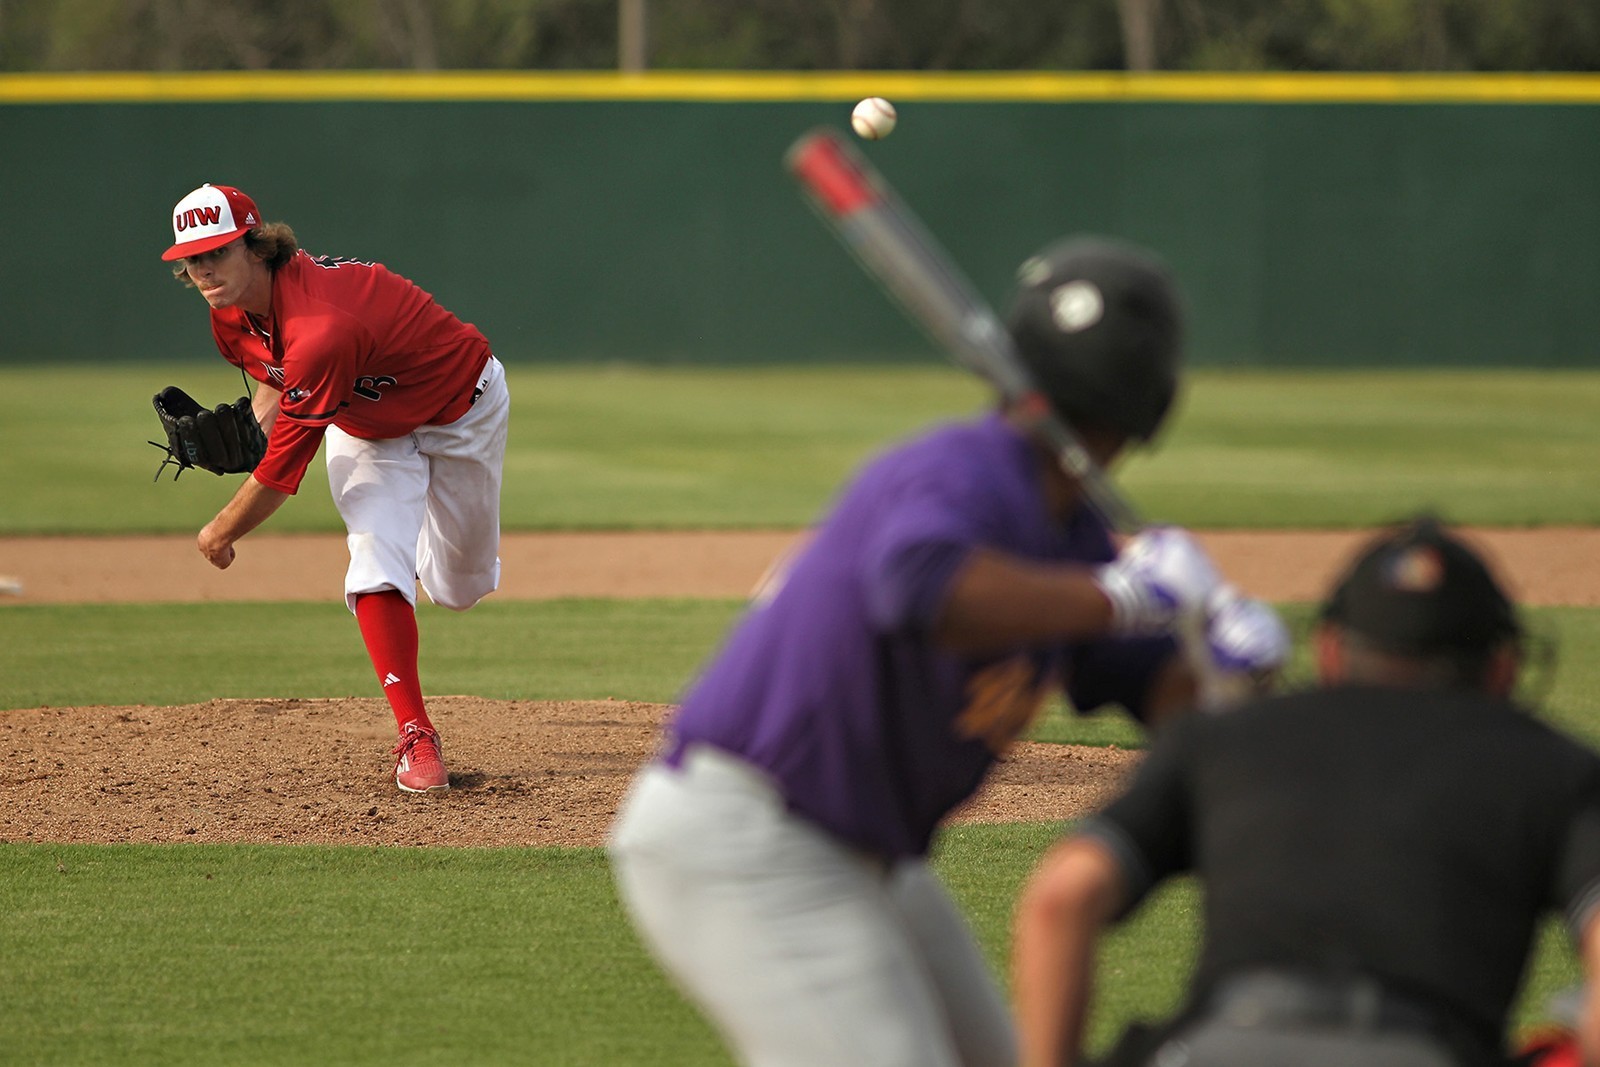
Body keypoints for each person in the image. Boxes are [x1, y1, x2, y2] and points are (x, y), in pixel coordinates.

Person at [606, 235, 1289, 1067]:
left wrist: (1232, 669)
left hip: (871, 853)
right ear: (1152, 401)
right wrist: (1126, 597)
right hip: (752, 839)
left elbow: (1169, 701)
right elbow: (923, 586)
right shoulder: (964, 469)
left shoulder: (1070, 536)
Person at [1012, 516, 1600, 1067]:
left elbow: (1061, 898)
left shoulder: (1222, 738)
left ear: (1330, 650)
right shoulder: (1554, 766)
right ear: (1501, 667)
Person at [161, 182, 510, 794]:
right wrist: (259, 423)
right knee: (375, 557)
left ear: (256, 246)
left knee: (461, 586)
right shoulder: (227, 315)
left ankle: (420, 547)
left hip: (462, 411)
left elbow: (279, 476)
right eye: (192, 258)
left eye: (217, 251)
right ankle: (416, 736)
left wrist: (220, 532)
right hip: (364, 425)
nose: (204, 269)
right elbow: (276, 378)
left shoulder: (324, 324)